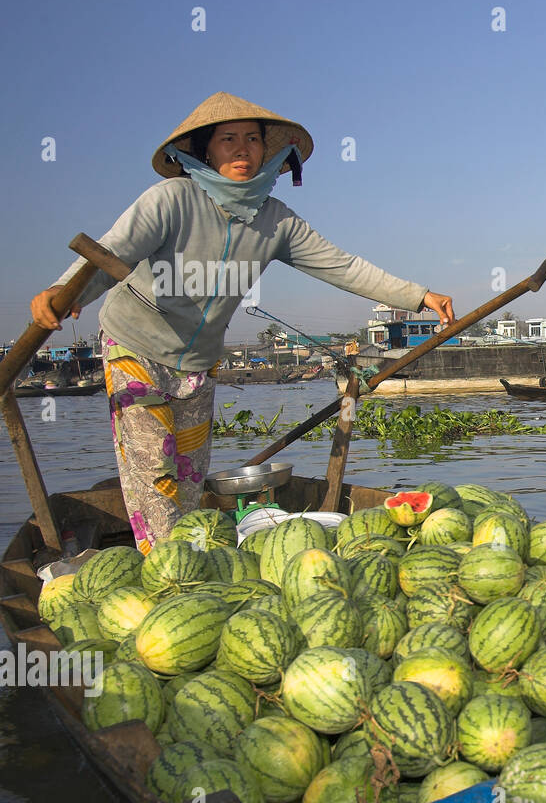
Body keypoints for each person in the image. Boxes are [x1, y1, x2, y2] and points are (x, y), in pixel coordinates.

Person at [29, 92, 456, 554]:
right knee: (154, 471)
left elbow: (344, 266)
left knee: (190, 476)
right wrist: (64, 292)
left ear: (267, 151)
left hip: (198, 361)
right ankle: (168, 576)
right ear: (204, 151)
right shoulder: (172, 199)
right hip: (135, 344)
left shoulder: (276, 222)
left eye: (252, 139)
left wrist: (418, 296)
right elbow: (112, 252)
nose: (241, 149)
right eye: (228, 138)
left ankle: (194, 562)